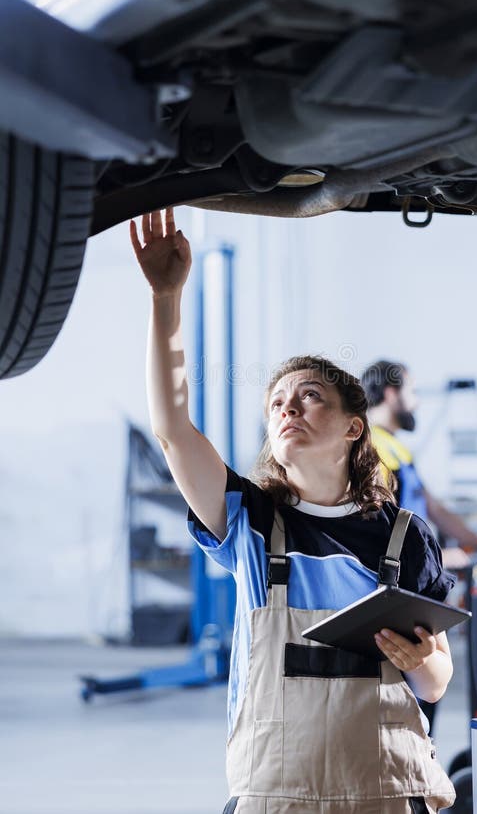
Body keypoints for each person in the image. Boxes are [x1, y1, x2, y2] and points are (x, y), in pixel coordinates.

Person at [131, 208, 456, 813]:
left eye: (310, 396)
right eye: (277, 403)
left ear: (354, 427)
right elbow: (172, 430)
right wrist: (165, 299)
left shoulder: (404, 538)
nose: (288, 408)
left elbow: (437, 680)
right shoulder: (251, 522)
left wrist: (420, 662)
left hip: (386, 794)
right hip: (273, 796)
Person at [360, 360, 477, 568]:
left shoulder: (397, 450)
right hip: (392, 576)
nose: (417, 402)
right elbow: (373, 531)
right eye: (412, 392)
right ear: (392, 394)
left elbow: (435, 509)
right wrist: (436, 557)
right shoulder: (370, 449)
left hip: (407, 572)